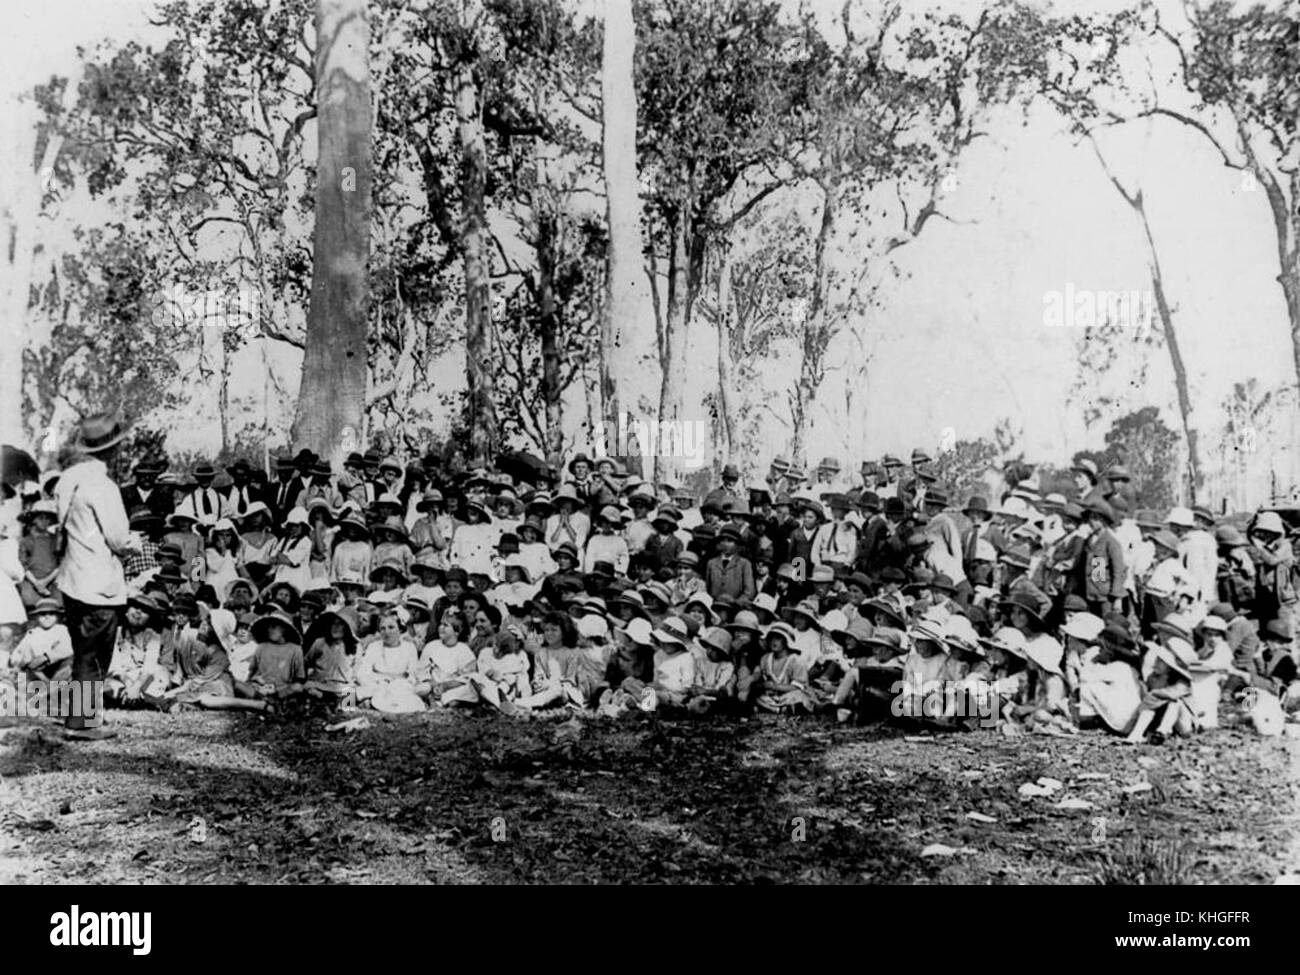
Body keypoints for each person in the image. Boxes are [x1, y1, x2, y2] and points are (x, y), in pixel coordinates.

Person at [55, 412, 141, 740]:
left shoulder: (67, 480)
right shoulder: (102, 486)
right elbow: (119, 538)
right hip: (98, 583)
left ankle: (82, 718)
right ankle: (82, 724)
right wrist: (135, 543)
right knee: (97, 653)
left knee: (83, 651)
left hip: (72, 579)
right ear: (112, 450)